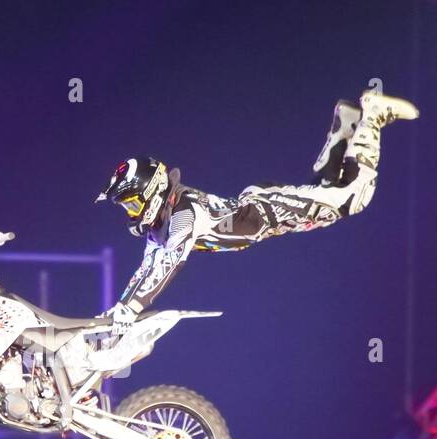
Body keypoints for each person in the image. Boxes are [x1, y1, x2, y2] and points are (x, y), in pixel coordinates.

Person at [94, 88, 418, 333]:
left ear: (151, 190)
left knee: (351, 199)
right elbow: (146, 270)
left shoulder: (182, 213)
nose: (131, 211)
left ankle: (372, 114)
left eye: (132, 201)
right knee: (325, 194)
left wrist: (129, 310)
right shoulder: (160, 224)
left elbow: (167, 264)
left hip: (267, 210)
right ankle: (346, 124)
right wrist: (119, 310)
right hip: (264, 211)